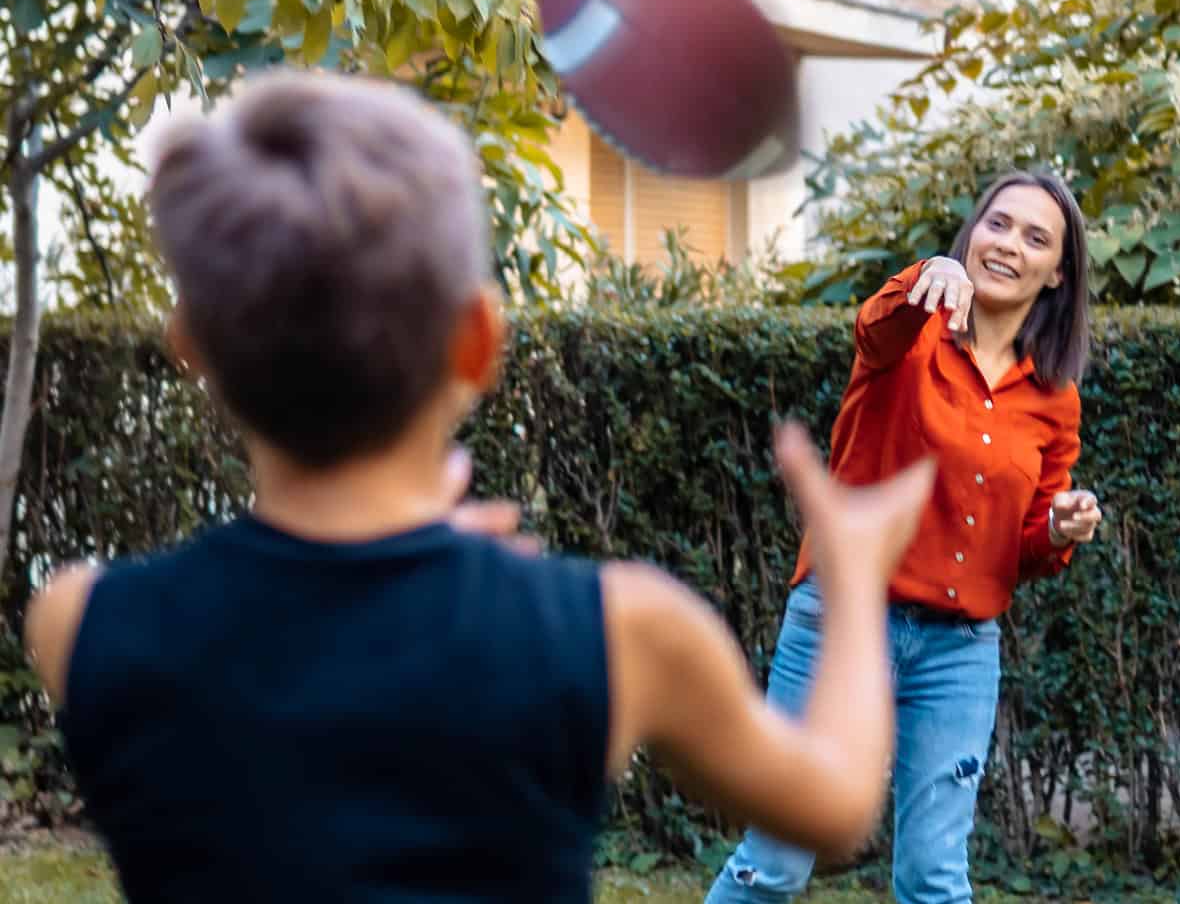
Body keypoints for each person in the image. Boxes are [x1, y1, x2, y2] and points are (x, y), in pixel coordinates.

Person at [20, 70, 937, 903]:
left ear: (192, 352)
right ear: (479, 341)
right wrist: (853, 573)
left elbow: (308, 677)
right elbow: (835, 801)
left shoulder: (79, 623)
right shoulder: (621, 634)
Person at [706, 171, 1103, 904]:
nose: (1009, 245)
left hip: (959, 650)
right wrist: (928, 275)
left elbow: (1026, 543)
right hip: (845, 620)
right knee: (778, 860)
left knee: (934, 879)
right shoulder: (908, 333)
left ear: (1058, 274)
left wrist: (1057, 526)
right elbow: (871, 325)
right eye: (998, 224)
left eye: (1035, 238)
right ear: (972, 233)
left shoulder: (1054, 398)